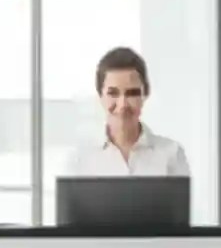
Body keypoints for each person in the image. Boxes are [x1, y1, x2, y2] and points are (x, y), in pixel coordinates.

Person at [65, 46, 190, 177]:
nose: (122, 104)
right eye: (113, 93)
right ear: (100, 96)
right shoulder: (79, 160)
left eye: (132, 93)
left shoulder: (172, 155)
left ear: (145, 94)